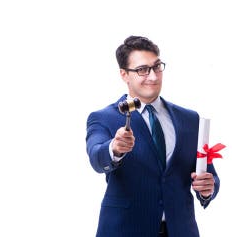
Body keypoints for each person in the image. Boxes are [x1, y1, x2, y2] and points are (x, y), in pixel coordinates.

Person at [85, 36, 219, 237]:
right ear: (124, 74)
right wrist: (114, 148)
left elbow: (208, 174)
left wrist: (208, 188)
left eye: (157, 67)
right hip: (125, 230)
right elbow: (97, 156)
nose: (153, 76)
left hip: (180, 231)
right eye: (142, 70)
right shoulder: (104, 118)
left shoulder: (189, 119)